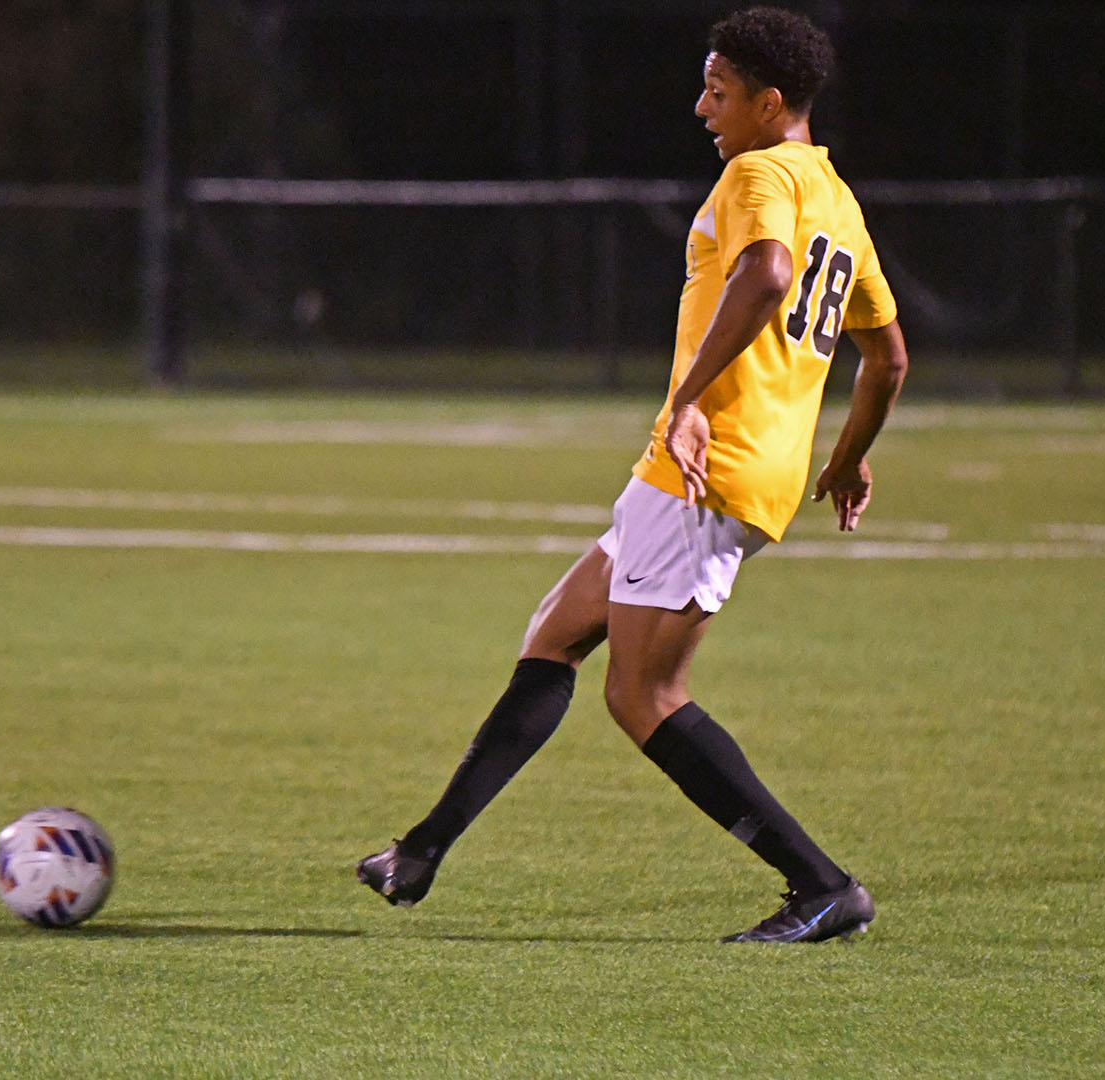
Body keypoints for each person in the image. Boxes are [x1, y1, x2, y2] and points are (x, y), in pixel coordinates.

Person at [358, 5, 907, 944]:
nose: (703, 107)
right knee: (556, 632)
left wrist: (688, 400)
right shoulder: (838, 200)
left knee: (642, 695)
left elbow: (770, 273)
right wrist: (847, 458)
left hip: (706, 464)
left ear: (770, 102)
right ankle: (420, 852)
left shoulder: (759, 172)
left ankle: (821, 886)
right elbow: (888, 357)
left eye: (719, 91)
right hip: (733, 470)